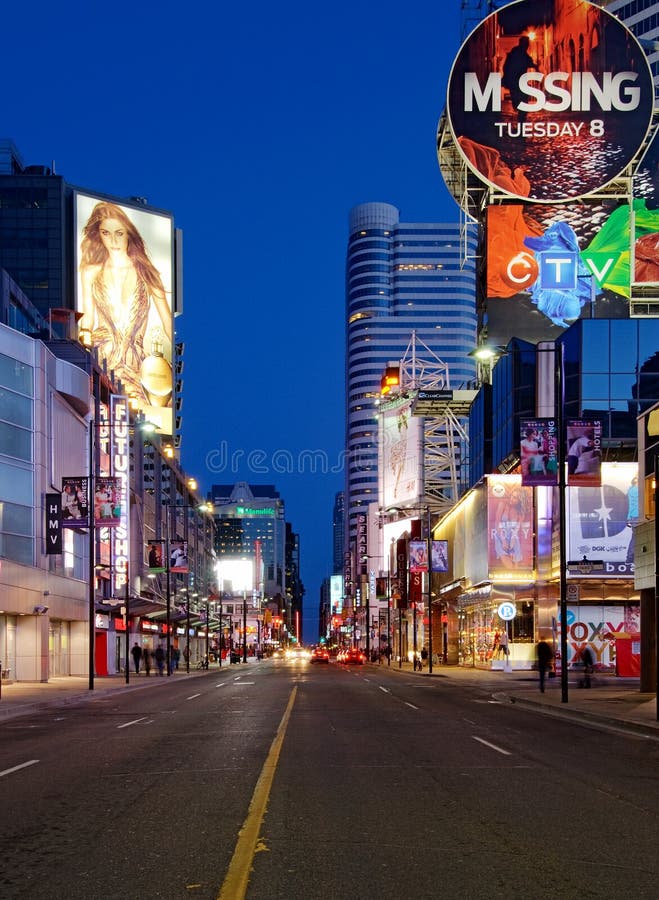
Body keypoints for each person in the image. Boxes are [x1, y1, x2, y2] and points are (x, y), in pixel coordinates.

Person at [78, 201, 171, 407]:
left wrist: (174, 367)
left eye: (119, 233)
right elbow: (88, 320)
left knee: (133, 414)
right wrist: (80, 350)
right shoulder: (90, 272)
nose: (113, 240)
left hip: (134, 360)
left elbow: (169, 325)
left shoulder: (147, 274)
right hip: (102, 353)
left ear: (129, 234)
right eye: (106, 233)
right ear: (98, 235)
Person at [502, 35, 539, 123]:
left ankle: (521, 115)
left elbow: (529, 62)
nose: (527, 45)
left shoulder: (519, 52)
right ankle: (521, 115)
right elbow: (528, 62)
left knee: (521, 98)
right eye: (527, 43)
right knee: (520, 98)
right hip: (516, 80)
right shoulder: (518, 52)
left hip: (517, 80)